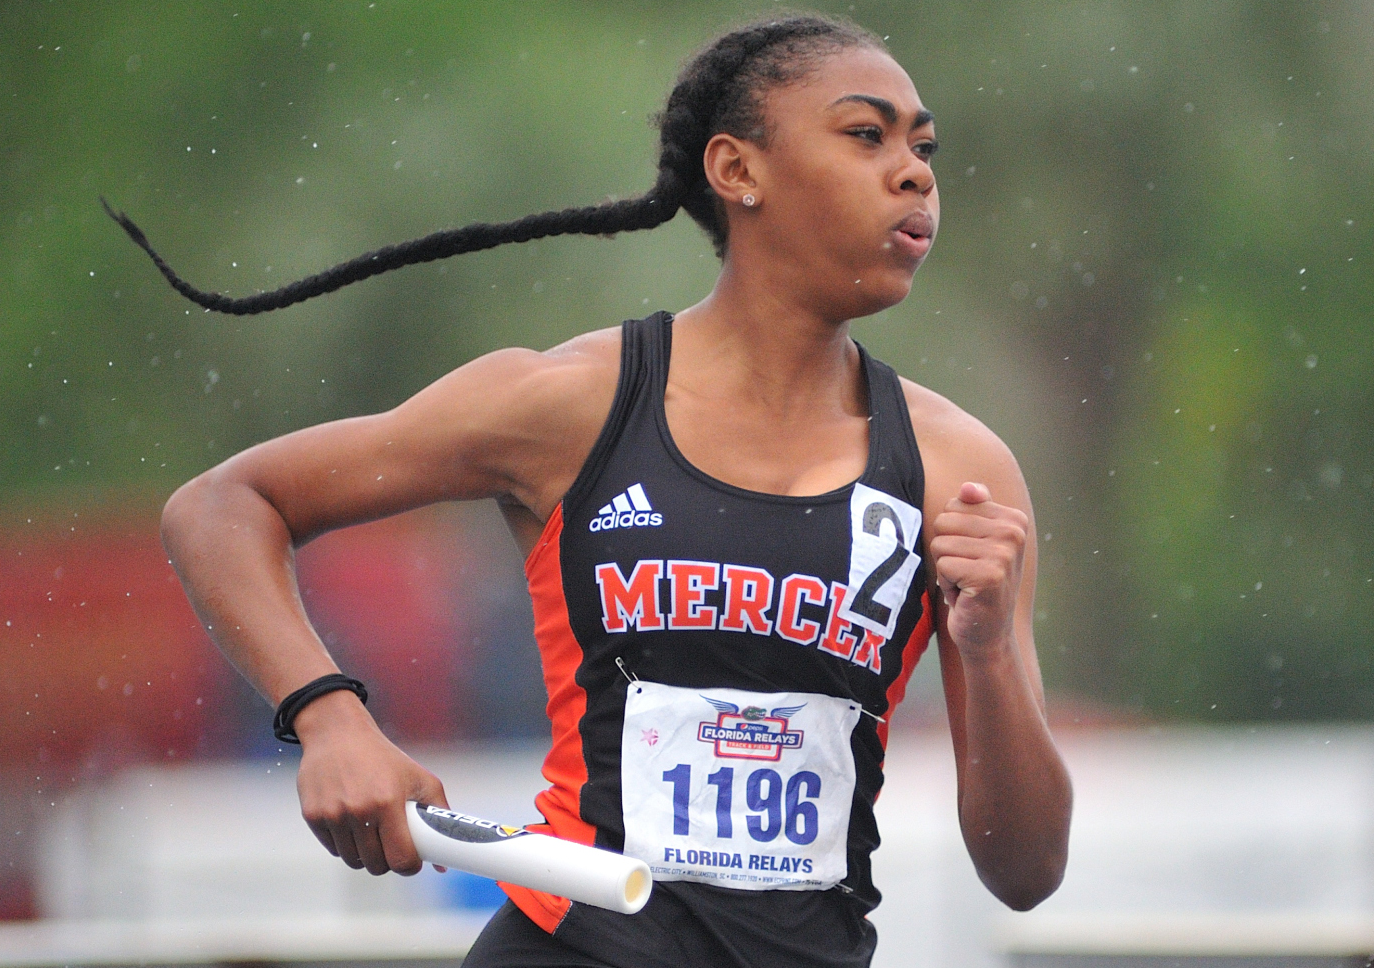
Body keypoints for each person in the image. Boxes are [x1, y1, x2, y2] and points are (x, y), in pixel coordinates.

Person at [135, 14, 1071, 967]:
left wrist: (987, 650)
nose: (914, 172)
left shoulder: (960, 473)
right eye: (866, 135)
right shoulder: (574, 405)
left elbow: (1027, 870)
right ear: (737, 170)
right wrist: (330, 720)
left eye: (923, 146)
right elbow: (220, 507)